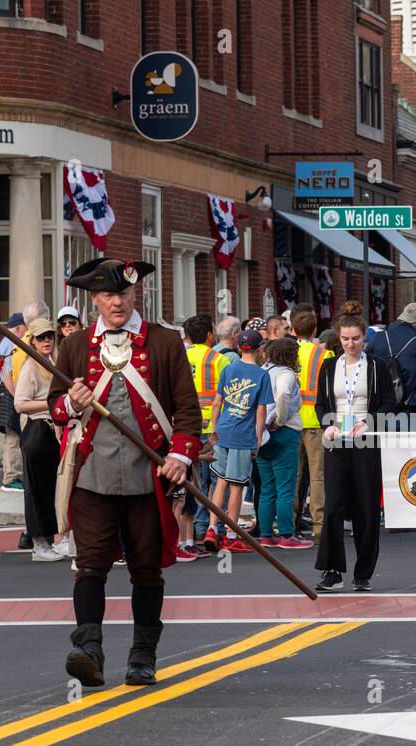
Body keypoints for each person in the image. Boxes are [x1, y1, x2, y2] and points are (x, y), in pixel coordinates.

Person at [48, 257, 203, 687]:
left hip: (147, 475)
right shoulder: (76, 344)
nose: (117, 302)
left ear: (136, 295)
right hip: (91, 474)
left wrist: (181, 456)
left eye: (124, 294)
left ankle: (142, 656)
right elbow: (55, 407)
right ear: (94, 299)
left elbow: (187, 410)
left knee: (146, 568)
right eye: (107, 295)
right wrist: (72, 404)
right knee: (89, 565)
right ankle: (88, 650)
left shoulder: (166, 342)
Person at [314, 313, 397, 592]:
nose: (350, 344)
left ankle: (363, 573)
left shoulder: (377, 366)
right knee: (334, 507)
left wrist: (369, 422)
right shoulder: (328, 367)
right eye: (345, 339)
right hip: (336, 440)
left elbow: (388, 403)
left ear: (365, 338)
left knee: (366, 507)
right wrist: (327, 426)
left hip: (365, 441)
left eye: (356, 339)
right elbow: (321, 405)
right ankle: (332, 570)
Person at [207, 329, 272, 555]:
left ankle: (211, 528)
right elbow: (261, 412)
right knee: (237, 486)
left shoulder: (228, 368)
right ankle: (231, 535)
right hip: (242, 436)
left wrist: (214, 429)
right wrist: (257, 439)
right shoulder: (262, 375)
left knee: (220, 483)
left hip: (223, 431)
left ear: (238, 347)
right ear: (259, 348)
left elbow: (217, 403)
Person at [14, 316, 65, 562]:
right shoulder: (31, 366)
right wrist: (51, 403)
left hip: (51, 430)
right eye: (41, 337)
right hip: (37, 429)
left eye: (50, 336)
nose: (46, 341)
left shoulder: (53, 361)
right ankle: (39, 543)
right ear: (32, 341)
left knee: (50, 488)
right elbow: (20, 404)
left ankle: (49, 539)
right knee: (37, 488)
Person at [185, 313, 230, 554]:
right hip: (215, 426)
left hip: (188, 425)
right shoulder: (218, 358)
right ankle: (213, 527)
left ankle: (195, 529)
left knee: (193, 481)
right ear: (210, 334)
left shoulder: (181, 356)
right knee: (217, 480)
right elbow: (229, 393)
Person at [258, 337, 309, 548]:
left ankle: (266, 534)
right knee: (286, 487)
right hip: (283, 432)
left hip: (261, 435)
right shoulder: (286, 374)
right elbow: (284, 394)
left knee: (267, 488)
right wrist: (278, 419)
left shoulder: (262, 371)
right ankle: (287, 535)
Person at [291, 305, 332, 541]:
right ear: (315, 329)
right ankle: (320, 527)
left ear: (294, 329)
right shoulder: (324, 355)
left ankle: (289, 525)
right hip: (316, 420)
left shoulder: (284, 350)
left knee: (293, 475)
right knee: (318, 476)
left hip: (290, 420)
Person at [0, 311, 29, 493]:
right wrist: (18, 396)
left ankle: (11, 476)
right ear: (18, 327)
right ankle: (11, 478)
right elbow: (6, 373)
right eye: (26, 328)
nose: (27, 332)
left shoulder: (5, 342)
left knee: (13, 436)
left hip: (8, 395)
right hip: (10, 395)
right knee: (14, 436)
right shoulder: (11, 342)